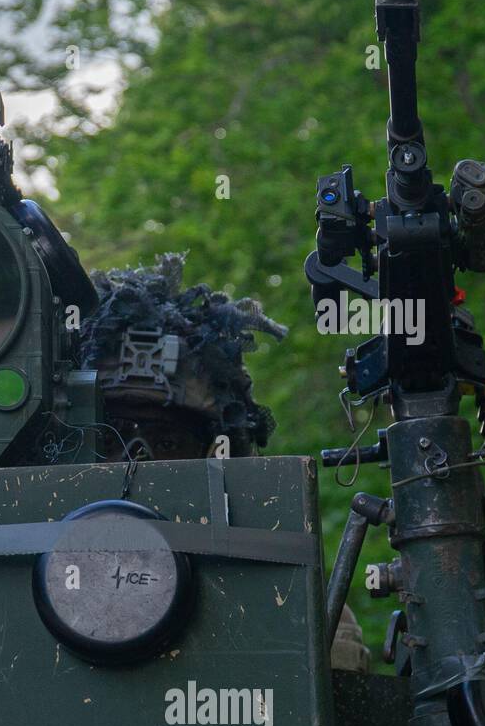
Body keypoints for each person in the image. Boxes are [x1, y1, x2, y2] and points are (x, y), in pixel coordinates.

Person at [79, 253, 369, 674]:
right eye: (112, 435)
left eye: (167, 441)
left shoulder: (280, 591)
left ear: (213, 450)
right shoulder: (11, 554)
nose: (136, 457)